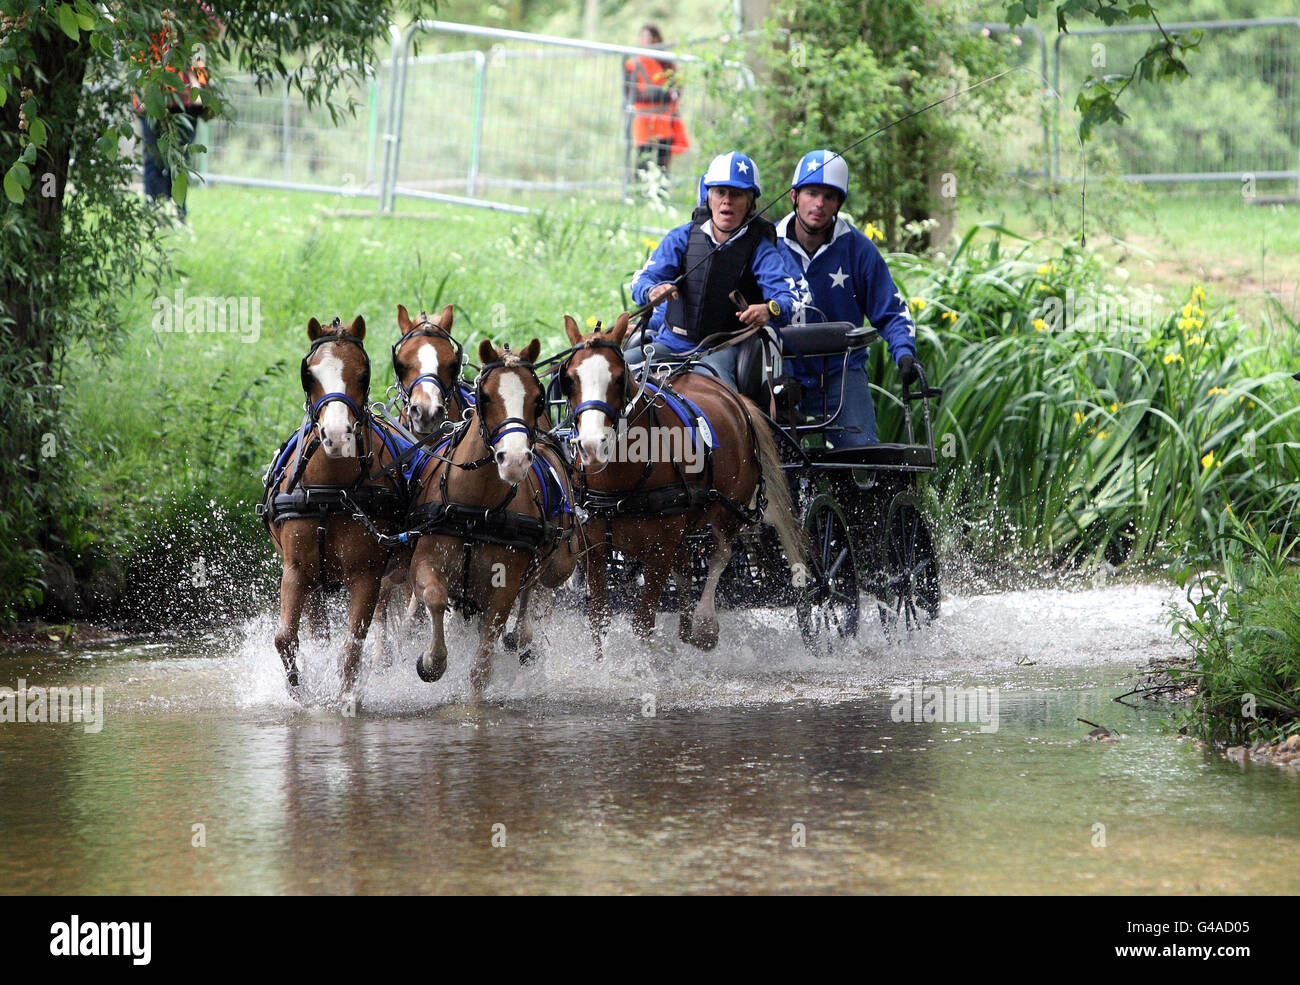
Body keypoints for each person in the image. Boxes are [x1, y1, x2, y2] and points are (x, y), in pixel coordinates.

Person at [776, 149, 921, 447]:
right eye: (812, 193)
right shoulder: (767, 245)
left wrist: (905, 353)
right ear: (794, 195)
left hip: (841, 373)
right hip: (780, 375)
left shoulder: (858, 249)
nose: (819, 204)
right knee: (771, 464)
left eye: (829, 196)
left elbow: (891, 311)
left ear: (839, 203)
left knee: (863, 459)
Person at [628, 151, 805, 389]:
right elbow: (642, 279)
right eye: (720, 192)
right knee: (614, 371)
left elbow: (790, 299)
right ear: (709, 197)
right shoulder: (681, 237)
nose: (727, 201)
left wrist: (769, 309)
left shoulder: (761, 249)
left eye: (737, 194)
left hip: (723, 349)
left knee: (713, 392)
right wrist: (652, 290)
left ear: (751, 203)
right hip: (670, 344)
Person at [132, 3, 220, 216]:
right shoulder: (142, 6)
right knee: (155, 158)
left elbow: (212, 29)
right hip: (152, 94)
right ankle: (155, 212)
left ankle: (178, 211)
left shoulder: (195, 7)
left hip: (185, 97)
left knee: (180, 159)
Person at [624, 23, 689, 179]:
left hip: (664, 116)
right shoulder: (634, 63)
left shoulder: (666, 61)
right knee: (643, 155)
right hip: (643, 116)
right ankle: (640, 190)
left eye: (652, 37)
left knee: (663, 156)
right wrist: (659, 95)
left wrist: (666, 97)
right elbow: (630, 93)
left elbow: (677, 87)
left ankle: (661, 190)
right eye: (645, 37)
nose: (648, 41)